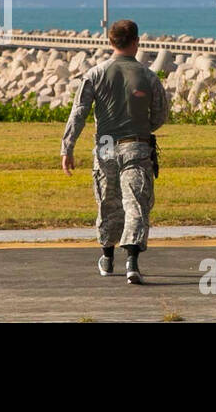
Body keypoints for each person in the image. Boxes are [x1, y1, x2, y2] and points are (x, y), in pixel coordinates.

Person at [61, 19, 170, 285]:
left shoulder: (96, 74)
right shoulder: (148, 76)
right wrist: (142, 125)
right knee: (135, 204)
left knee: (107, 202)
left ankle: (107, 257)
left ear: (110, 42)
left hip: (106, 143)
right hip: (136, 143)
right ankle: (132, 261)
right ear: (136, 42)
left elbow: (79, 112)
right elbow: (160, 114)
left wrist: (68, 147)